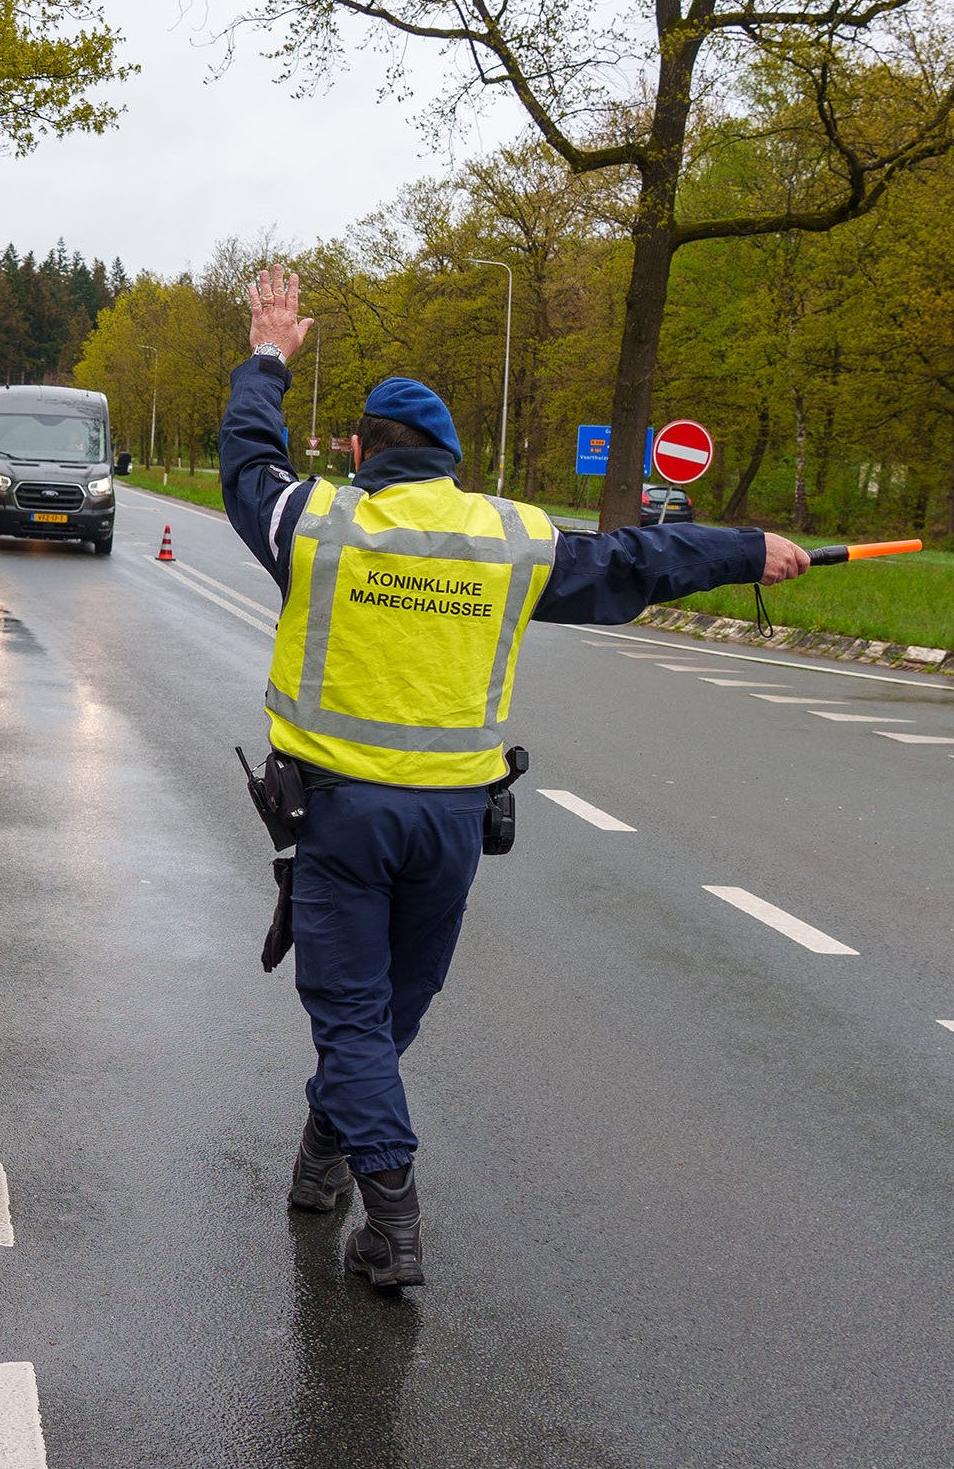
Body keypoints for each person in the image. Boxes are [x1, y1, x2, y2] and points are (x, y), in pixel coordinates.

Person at [221, 264, 809, 1290]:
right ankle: (325, 1155)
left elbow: (244, 462)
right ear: (450, 464)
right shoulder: (509, 538)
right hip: (450, 831)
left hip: (341, 822)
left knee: (354, 1021)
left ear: (360, 455)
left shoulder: (316, 524)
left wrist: (268, 358)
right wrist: (742, 548)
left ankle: (392, 1220)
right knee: (392, 1012)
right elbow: (632, 563)